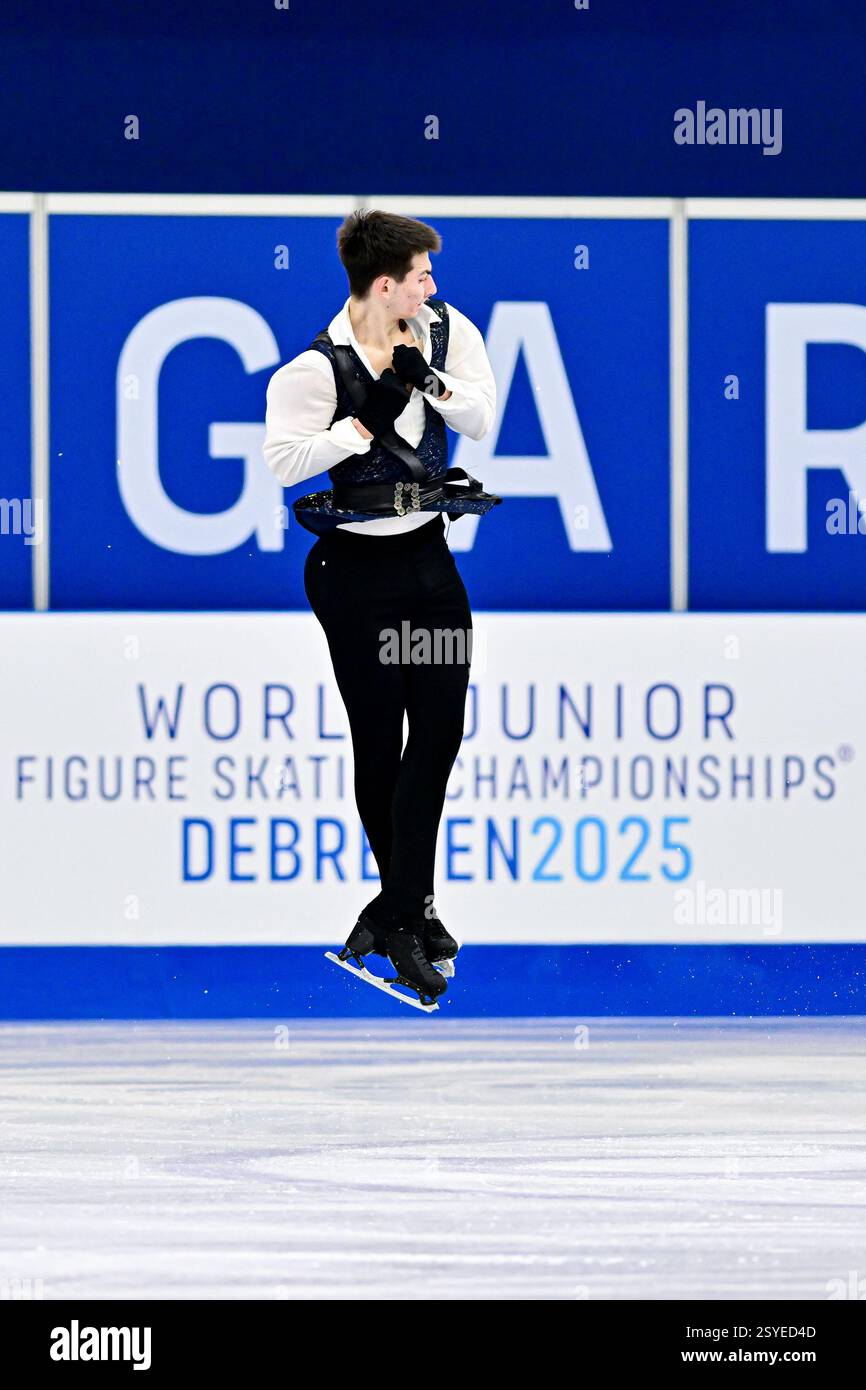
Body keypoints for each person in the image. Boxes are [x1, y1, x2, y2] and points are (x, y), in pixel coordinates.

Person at [263, 208, 500, 1004]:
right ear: (385, 283)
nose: (435, 286)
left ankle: (397, 910)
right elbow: (282, 463)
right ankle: (407, 921)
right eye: (423, 275)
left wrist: (424, 380)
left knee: (439, 732)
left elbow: (481, 418)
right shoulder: (314, 370)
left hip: (427, 566)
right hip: (352, 576)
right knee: (380, 738)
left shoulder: (444, 331)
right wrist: (362, 420)